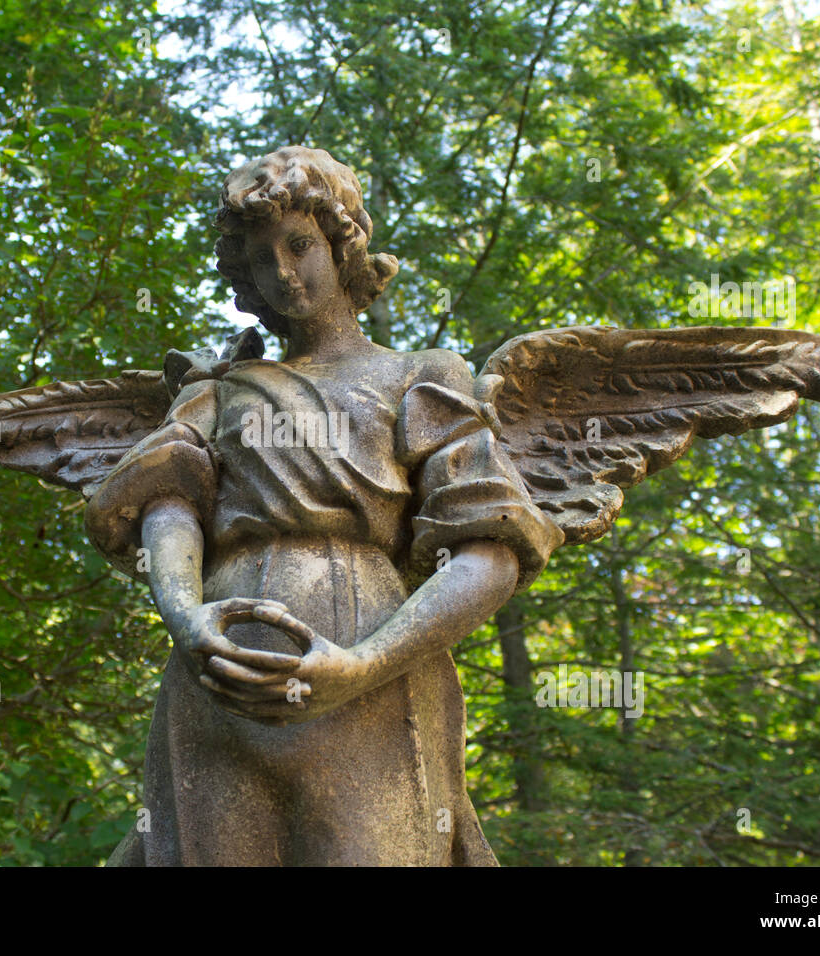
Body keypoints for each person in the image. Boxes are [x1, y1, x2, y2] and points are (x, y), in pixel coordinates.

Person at [85, 145, 564, 865]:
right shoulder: (222, 388)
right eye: (260, 255)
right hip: (218, 678)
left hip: (373, 670)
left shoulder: (418, 378)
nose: (282, 271)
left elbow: (488, 552)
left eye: (301, 243)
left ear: (344, 245)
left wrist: (365, 664)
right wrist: (186, 618)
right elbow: (166, 507)